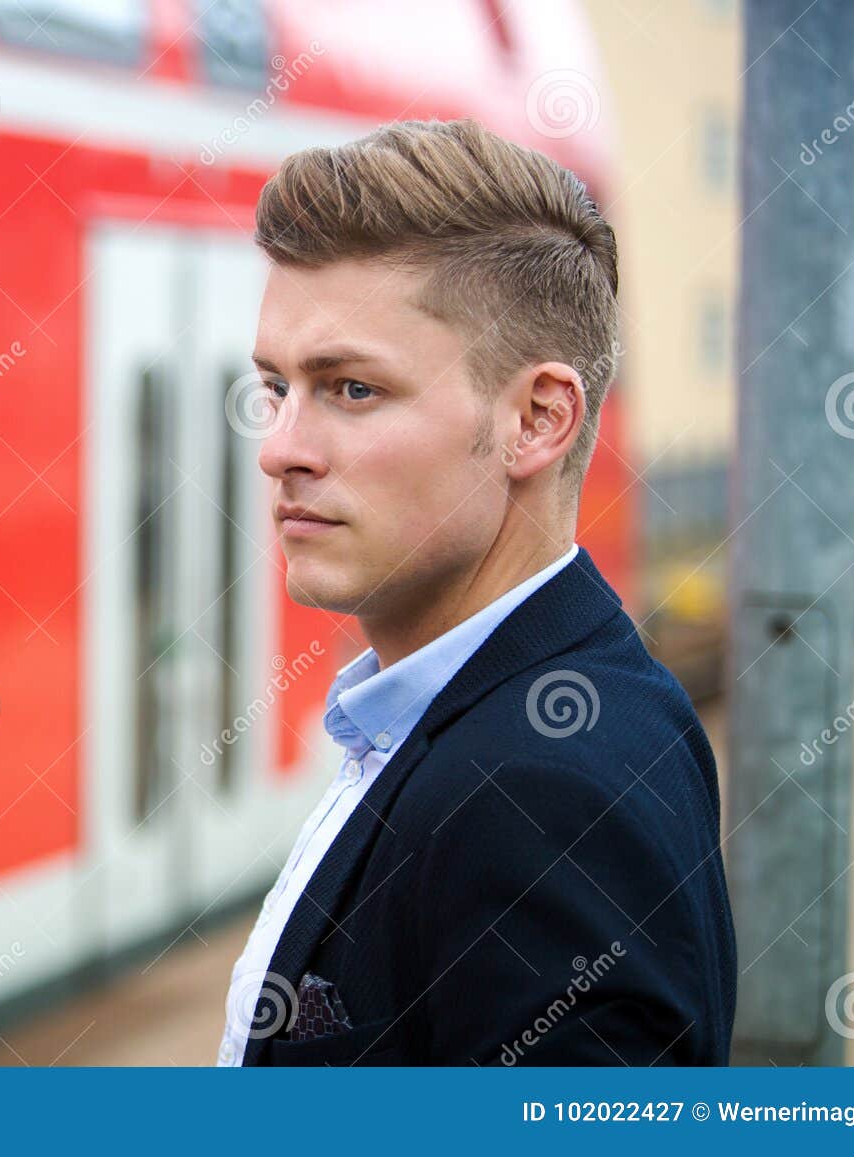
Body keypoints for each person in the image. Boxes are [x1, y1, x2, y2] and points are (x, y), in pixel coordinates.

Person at [217, 119, 736, 1067]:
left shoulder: (544, 792)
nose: (280, 447)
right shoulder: (495, 713)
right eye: (276, 387)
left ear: (536, 419)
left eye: (352, 389)